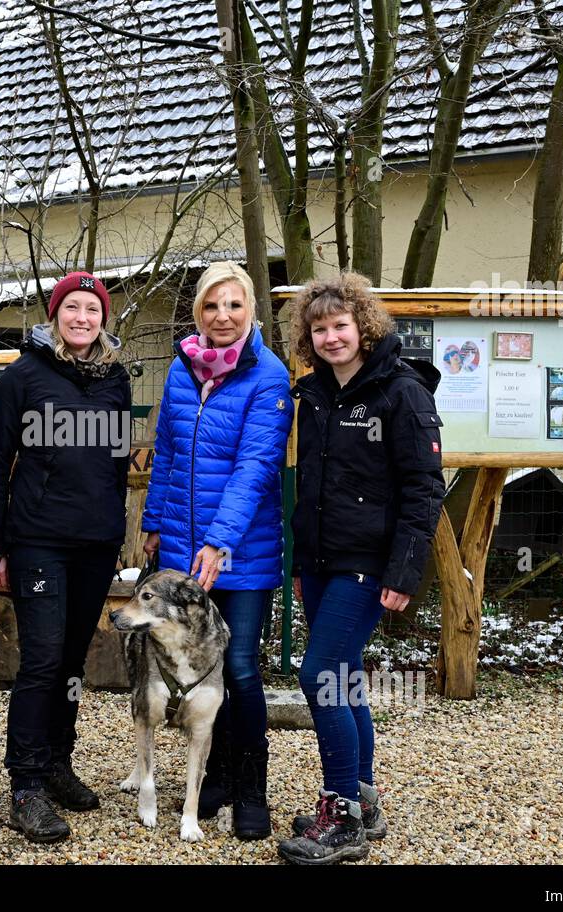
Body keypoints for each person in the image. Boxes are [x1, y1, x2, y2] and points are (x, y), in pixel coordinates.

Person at [276, 273, 445, 865]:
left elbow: (424, 490)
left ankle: (341, 814)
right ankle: (365, 801)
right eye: (318, 328)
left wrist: (404, 573)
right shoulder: (315, 393)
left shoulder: (402, 392)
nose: (330, 337)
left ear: (364, 327)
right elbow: (312, 488)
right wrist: (301, 562)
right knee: (344, 678)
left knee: (319, 675)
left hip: (369, 565)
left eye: (340, 325)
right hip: (321, 561)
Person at [140, 261, 293, 840]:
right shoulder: (183, 370)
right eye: (211, 306)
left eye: (234, 305)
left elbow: (255, 469)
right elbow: (170, 453)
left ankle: (251, 789)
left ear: (250, 310)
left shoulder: (269, 377)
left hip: (240, 553)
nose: (222, 317)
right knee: (196, 669)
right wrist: (154, 522)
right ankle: (216, 779)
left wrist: (220, 542)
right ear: (197, 312)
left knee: (241, 667)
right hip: (180, 547)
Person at [0, 271, 132, 843]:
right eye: (71, 308)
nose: (82, 318)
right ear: (54, 315)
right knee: (42, 661)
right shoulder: (22, 377)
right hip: (38, 540)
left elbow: (115, 464)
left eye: (92, 310)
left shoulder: (114, 379)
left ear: (103, 318)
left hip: (94, 542)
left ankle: (56, 762)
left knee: (73, 661)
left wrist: (117, 530)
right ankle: (24, 785)